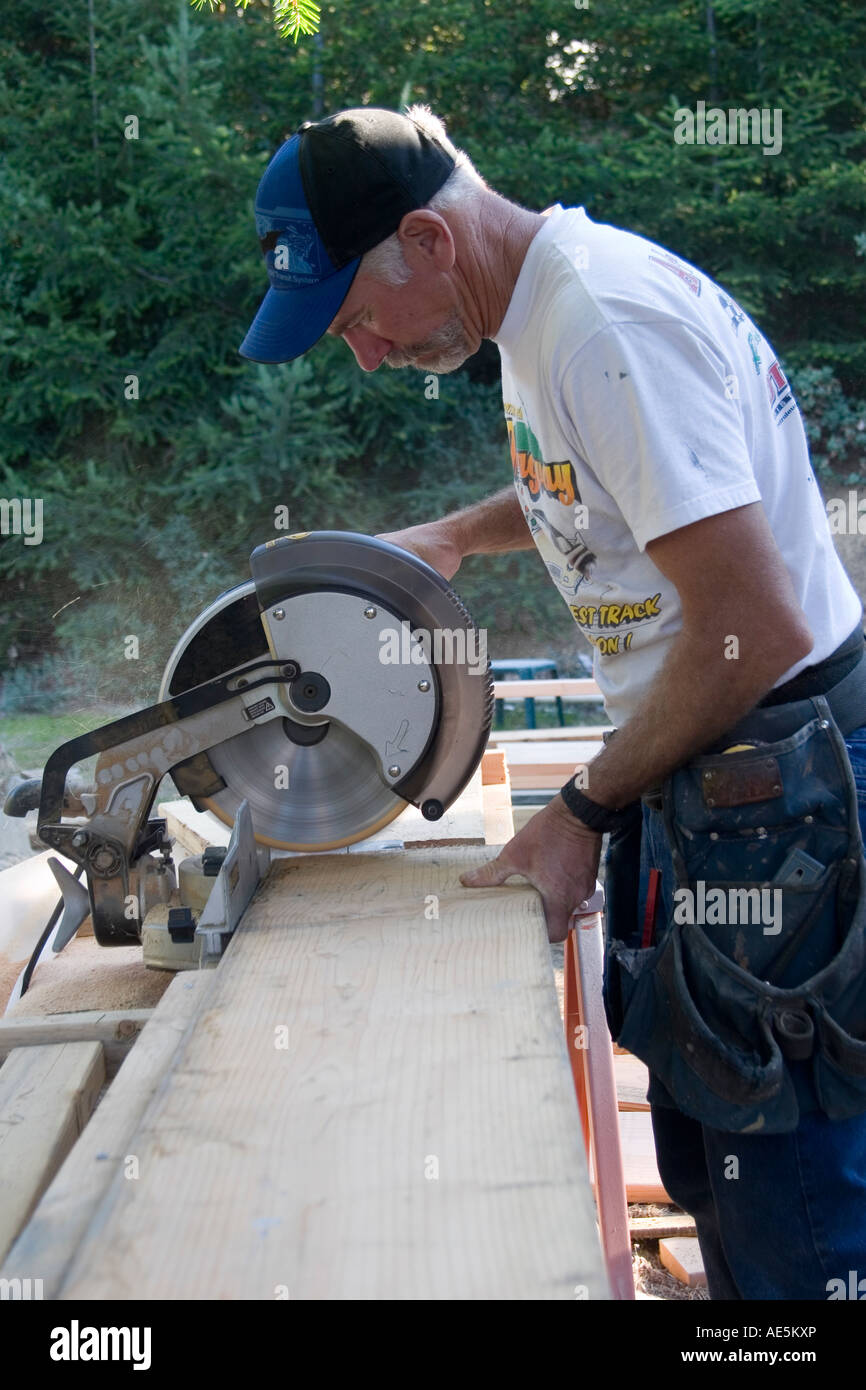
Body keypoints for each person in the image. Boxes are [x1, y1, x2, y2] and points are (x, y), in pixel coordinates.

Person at [240, 105, 866, 1300]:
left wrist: (577, 808)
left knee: (796, 1210)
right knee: (718, 1162)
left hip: (774, 786)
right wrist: (458, 535)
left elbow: (754, 628)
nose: (364, 353)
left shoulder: (600, 324)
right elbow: (607, 481)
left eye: (358, 318)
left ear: (428, 238)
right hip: (726, 775)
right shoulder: (546, 310)